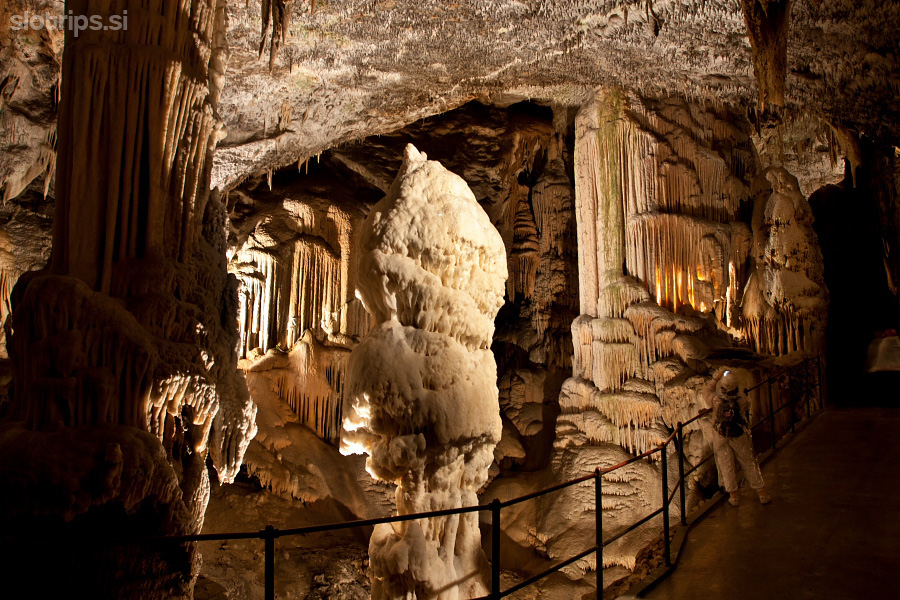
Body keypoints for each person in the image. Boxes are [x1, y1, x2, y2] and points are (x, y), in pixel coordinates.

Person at [702, 369, 771, 506]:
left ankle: (733, 496)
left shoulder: (716, 400)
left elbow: (706, 392)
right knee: (748, 461)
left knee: (726, 463)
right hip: (738, 434)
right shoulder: (741, 400)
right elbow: (747, 405)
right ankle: (761, 492)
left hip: (720, 434)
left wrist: (716, 378)